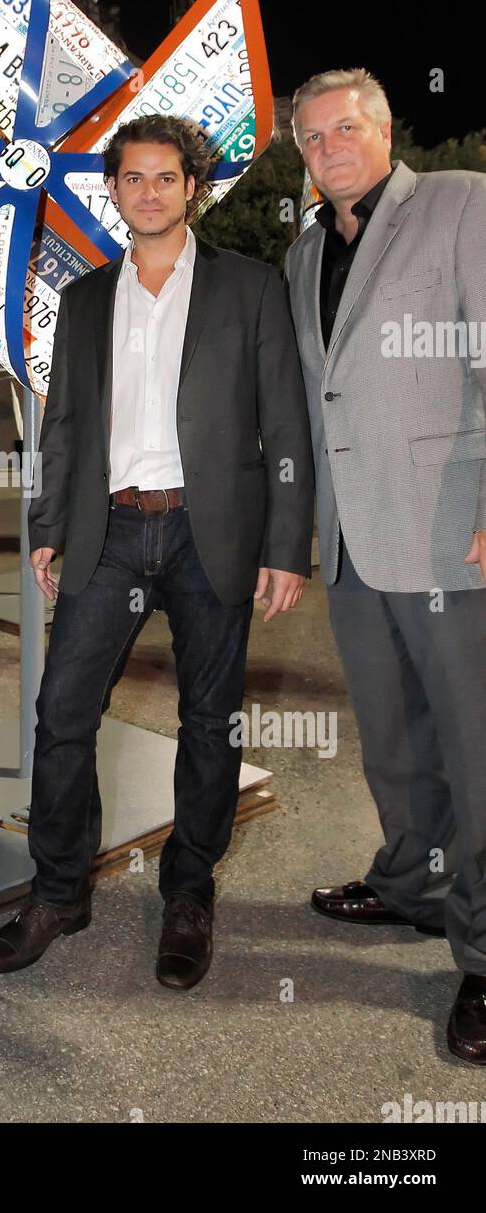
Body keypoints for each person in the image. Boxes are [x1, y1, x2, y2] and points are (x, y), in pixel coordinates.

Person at [0, 114, 314, 987]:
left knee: (208, 722)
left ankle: (188, 895)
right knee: (63, 714)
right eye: (133, 178)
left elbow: (284, 420)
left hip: (213, 533)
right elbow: (64, 425)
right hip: (111, 531)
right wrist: (47, 526)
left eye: (167, 177)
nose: (150, 192)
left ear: (191, 188)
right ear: (114, 191)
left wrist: (286, 545)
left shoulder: (250, 287)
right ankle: (58, 890)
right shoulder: (85, 297)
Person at [285, 68, 486, 1064]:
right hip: (354, 542)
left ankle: (484, 960)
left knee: (475, 749)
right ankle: (412, 881)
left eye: (347, 127)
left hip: (452, 531)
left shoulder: (459, 203)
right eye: (313, 137)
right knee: (394, 740)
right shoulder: (302, 252)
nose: (331, 146)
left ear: (385, 126)